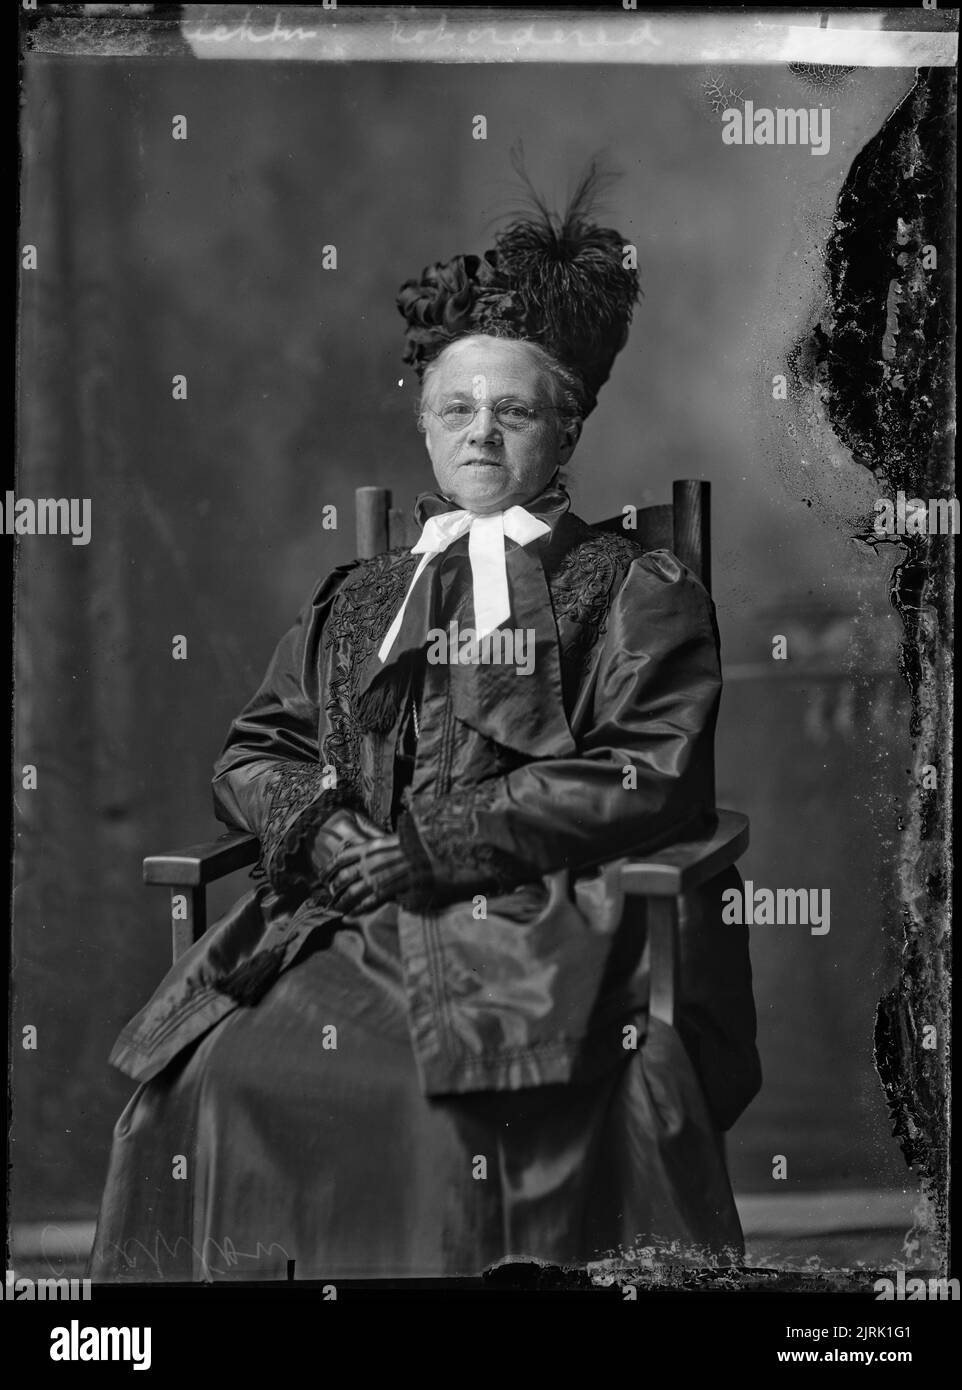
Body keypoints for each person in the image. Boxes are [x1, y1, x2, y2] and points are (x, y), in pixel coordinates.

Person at [88, 166, 760, 1282]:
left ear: (567, 428)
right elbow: (255, 751)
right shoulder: (359, 598)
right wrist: (321, 827)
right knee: (212, 1077)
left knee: (432, 1108)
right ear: (423, 425)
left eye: (514, 410)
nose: (481, 435)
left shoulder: (637, 588)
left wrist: (431, 846)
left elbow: (645, 777)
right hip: (351, 924)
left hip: (550, 930)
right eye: (456, 408)